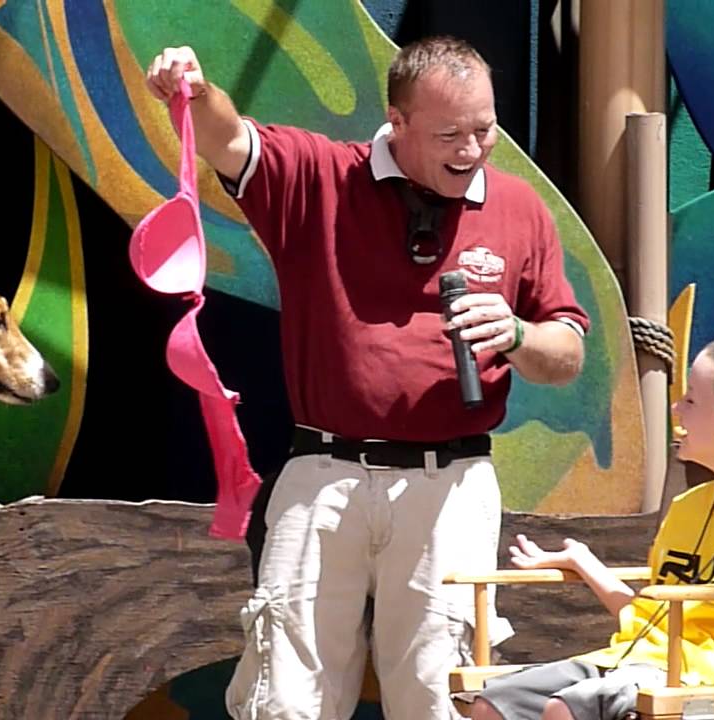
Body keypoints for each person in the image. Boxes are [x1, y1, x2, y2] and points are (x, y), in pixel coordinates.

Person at [145, 35, 590, 719]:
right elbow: (228, 139)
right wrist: (194, 91)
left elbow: (567, 352)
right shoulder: (321, 177)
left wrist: (521, 334)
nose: (471, 149)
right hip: (325, 474)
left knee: (443, 694)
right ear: (398, 120)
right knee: (285, 695)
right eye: (450, 133)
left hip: (452, 481)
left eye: (484, 129)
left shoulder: (519, 208)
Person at [472, 333, 714, 720]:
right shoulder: (686, 508)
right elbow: (651, 617)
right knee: (493, 704)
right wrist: (585, 563)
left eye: (692, 400)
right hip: (636, 658)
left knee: (567, 709)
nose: (676, 408)